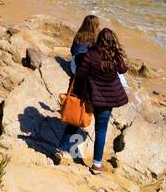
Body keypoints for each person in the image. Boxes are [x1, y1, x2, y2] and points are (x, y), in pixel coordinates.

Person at [56, 28, 130, 173]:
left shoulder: (91, 54)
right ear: (113, 41)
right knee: (101, 131)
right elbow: (123, 70)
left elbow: (81, 73)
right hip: (106, 101)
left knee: (74, 123)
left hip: (89, 98)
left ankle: (60, 150)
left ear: (99, 40)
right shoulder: (114, 56)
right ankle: (96, 165)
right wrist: (118, 54)